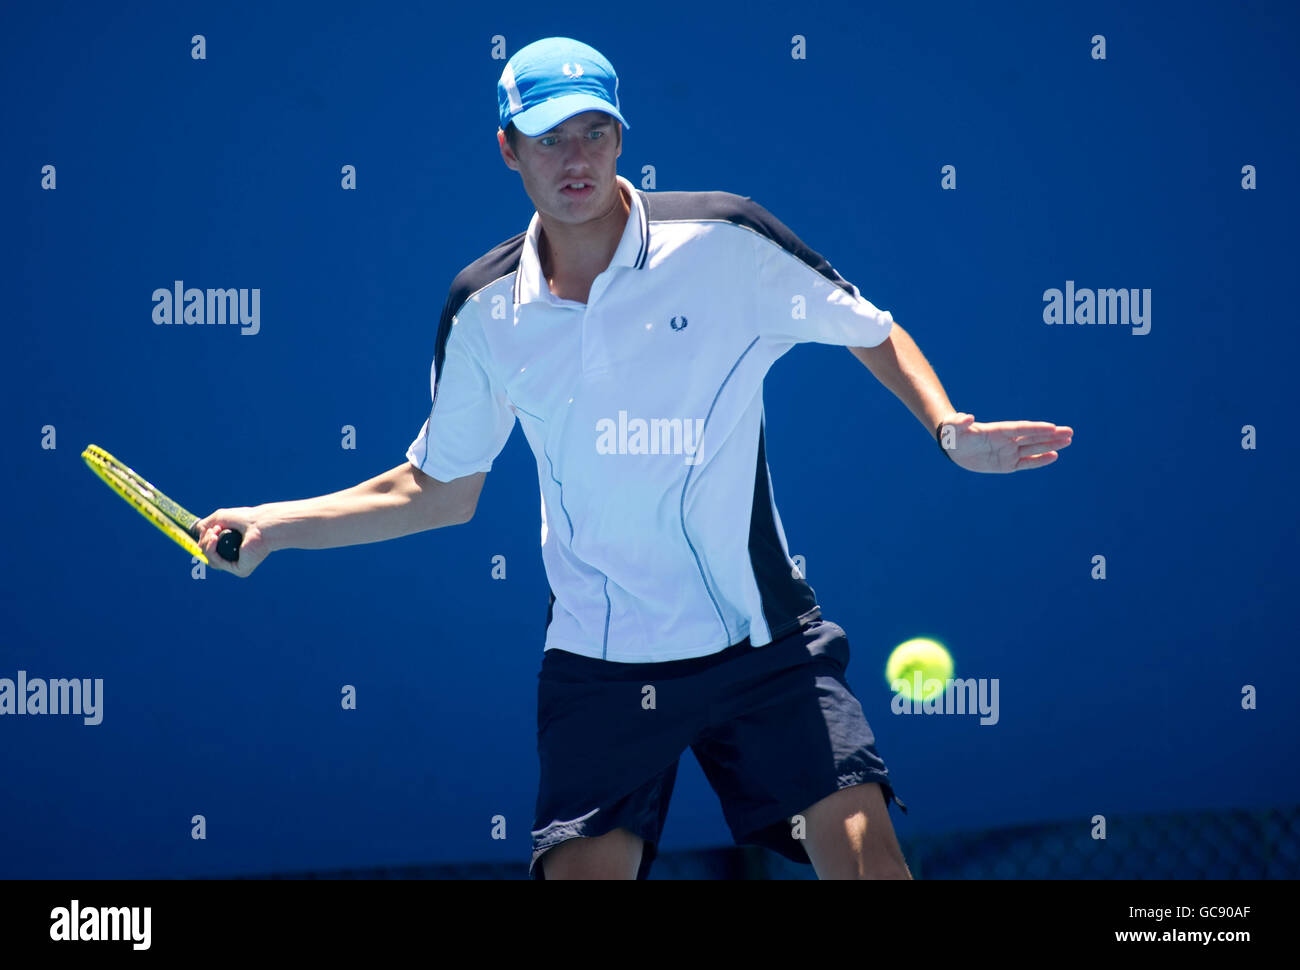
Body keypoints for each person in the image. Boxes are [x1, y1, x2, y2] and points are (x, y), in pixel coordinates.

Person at [196, 37, 1073, 880]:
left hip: (763, 644)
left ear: (621, 138)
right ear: (509, 151)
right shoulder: (485, 312)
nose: (574, 157)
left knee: (873, 868)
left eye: (594, 132)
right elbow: (434, 491)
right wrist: (271, 526)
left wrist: (949, 429)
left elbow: (870, 330)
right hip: (601, 666)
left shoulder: (727, 241)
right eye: (548, 139)